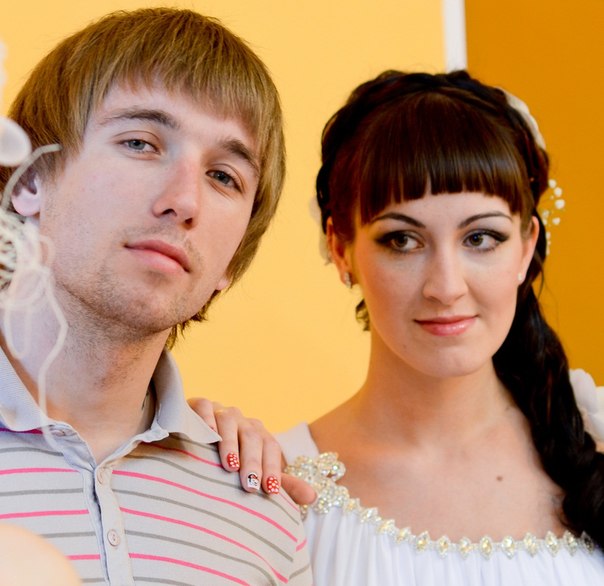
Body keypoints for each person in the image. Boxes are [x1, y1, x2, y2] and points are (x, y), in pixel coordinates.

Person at [199, 70, 604, 584]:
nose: (446, 287)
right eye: (402, 241)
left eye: (481, 238)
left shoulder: (594, 447)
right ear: (341, 249)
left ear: (526, 247)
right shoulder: (275, 483)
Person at [0, 8, 311, 585]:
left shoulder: (267, 517)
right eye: (141, 143)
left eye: (224, 177)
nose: (184, 201)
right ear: (30, 179)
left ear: (231, 262)